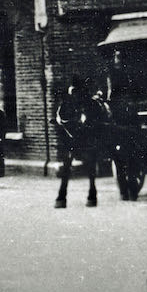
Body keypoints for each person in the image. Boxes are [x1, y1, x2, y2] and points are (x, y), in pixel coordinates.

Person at [54, 77, 96, 208]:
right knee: (66, 165)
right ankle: (62, 196)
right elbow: (61, 112)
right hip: (71, 132)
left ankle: (92, 192)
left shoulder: (84, 96)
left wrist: (85, 118)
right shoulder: (68, 98)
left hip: (84, 131)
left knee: (89, 161)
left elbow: (87, 110)